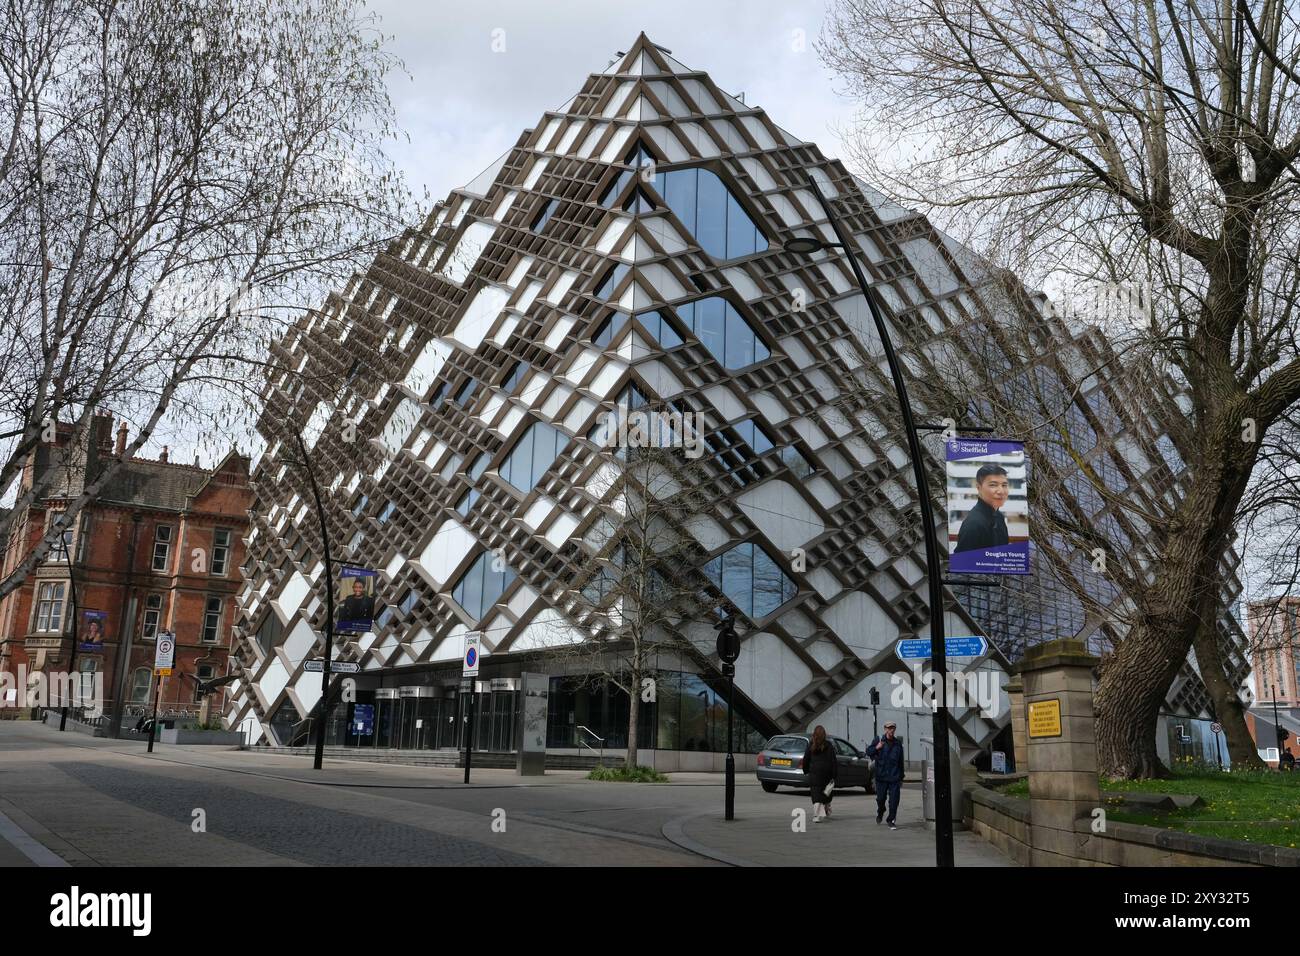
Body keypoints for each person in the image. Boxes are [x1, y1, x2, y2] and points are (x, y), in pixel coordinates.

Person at [954, 464, 1011, 553]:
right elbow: (963, 564)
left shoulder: (999, 516)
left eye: (1004, 485)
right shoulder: (973, 524)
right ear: (978, 488)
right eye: (993, 485)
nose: (1001, 491)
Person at [869, 720, 905, 829]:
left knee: (894, 800)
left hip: (894, 777)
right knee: (880, 799)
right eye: (889, 728)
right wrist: (876, 748)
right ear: (885, 729)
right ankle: (881, 811)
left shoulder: (898, 744)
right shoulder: (878, 739)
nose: (891, 730)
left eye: (893, 728)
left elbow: (900, 762)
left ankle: (891, 820)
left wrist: (901, 777)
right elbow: (868, 752)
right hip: (881, 776)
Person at [802, 725, 838, 823]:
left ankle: (817, 815)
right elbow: (833, 761)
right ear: (824, 734)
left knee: (816, 795)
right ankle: (826, 808)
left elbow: (806, 759)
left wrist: (805, 770)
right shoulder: (829, 745)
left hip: (815, 774)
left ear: (814, 734)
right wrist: (834, 775)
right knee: (826, 792)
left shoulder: (811, 745)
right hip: (826, 774)